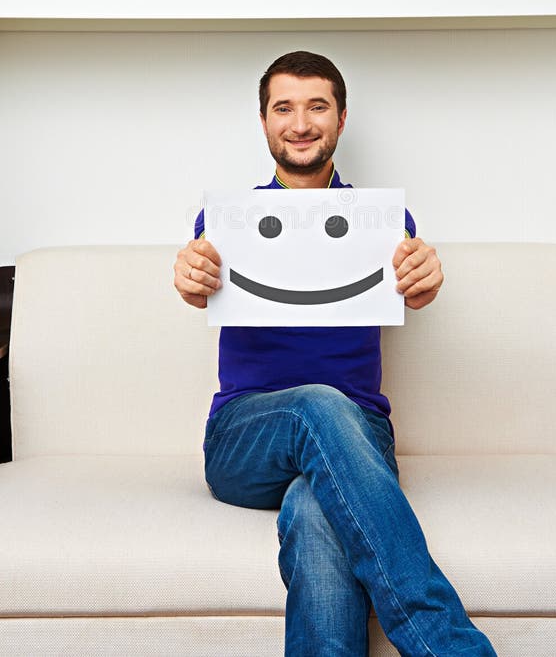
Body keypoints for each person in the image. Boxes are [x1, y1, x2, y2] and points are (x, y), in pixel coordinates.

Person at [174, 51, 496, 657]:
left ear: (341, 119)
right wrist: (192, 275)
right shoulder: (226, 221)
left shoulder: (383, 221)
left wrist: (423, 282)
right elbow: (200, 281)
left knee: (315, 510)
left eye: (317, 106)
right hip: (245, 436)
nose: (301, 123)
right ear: (264, 122)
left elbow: (412, 285)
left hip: (357, 437)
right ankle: (448, 645)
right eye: (284, 108)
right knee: (315, 405)